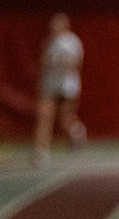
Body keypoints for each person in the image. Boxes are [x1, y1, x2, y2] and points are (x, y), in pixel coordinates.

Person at [32, 13, 87, 167]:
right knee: (44, 117)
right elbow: (45, 63)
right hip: (50, 84)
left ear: (65, 25)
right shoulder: (50, 42)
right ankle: (41, 153)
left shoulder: (72, 42)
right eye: (53, 24)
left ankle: (77, 131)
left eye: (58, 24)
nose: (54, 27)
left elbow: (74, 63)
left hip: (67, 86)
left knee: (65, 120)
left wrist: (59, 62)